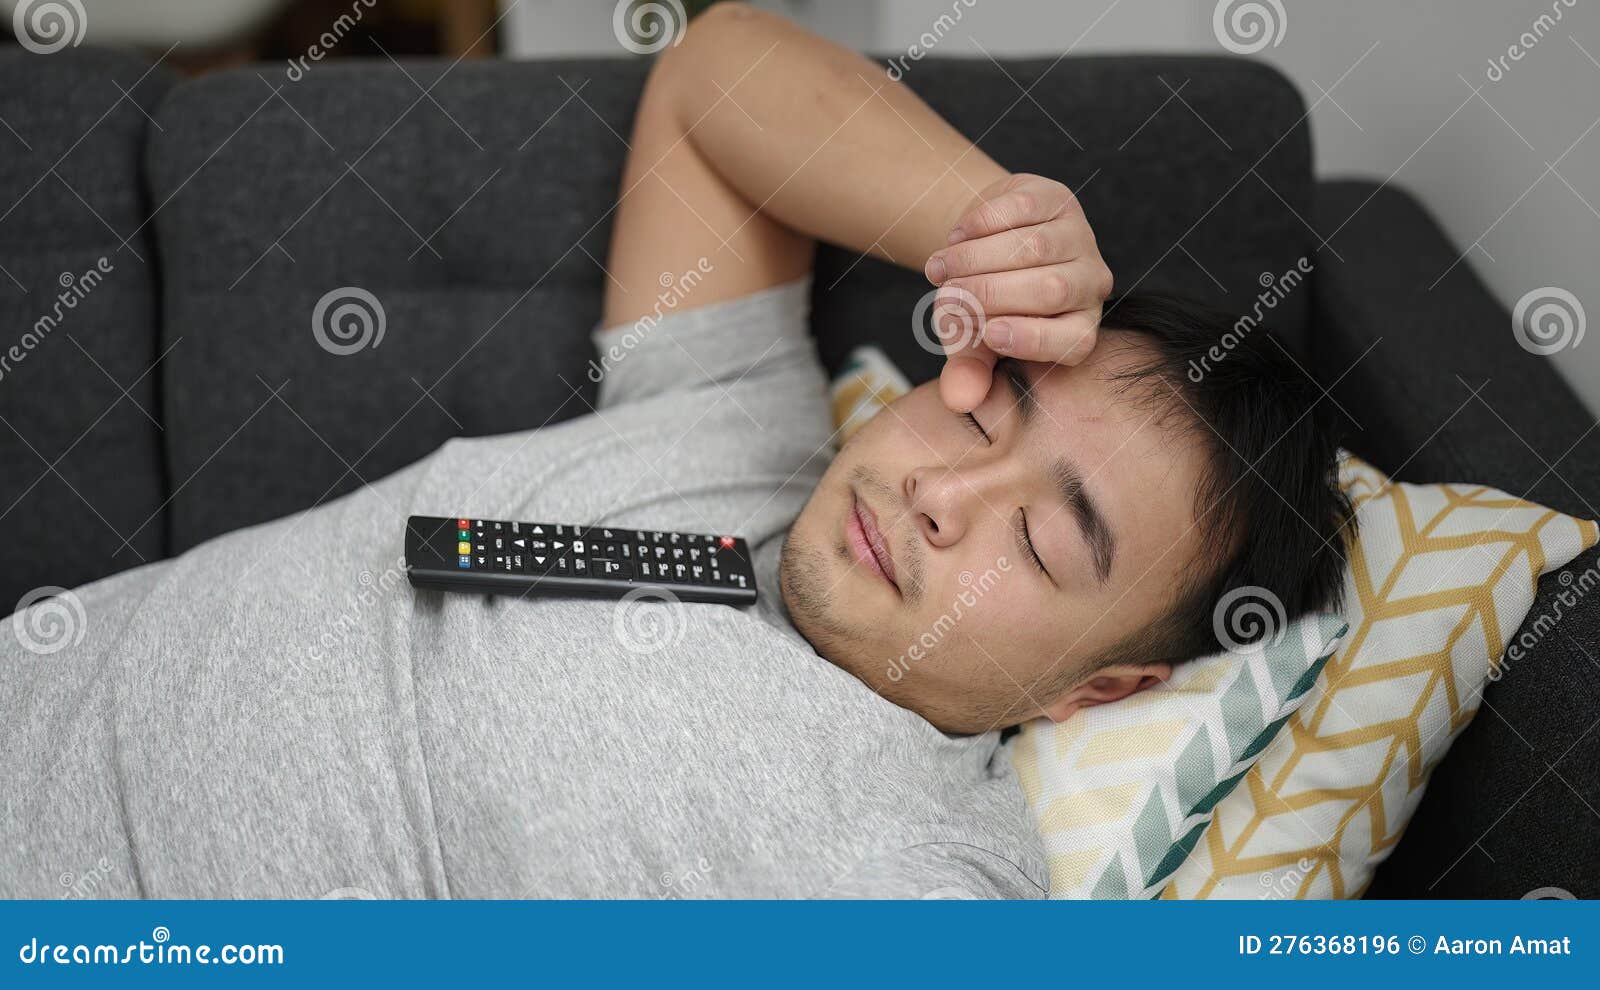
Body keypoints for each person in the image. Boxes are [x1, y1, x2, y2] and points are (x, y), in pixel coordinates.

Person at [0, 3, 1347, 899]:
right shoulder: (734, 422)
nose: (942, 491)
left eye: (1041, 541)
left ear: (1101, 689)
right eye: (982, 414)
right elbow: (719, 74)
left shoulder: (919, 864)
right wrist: (993, 223)